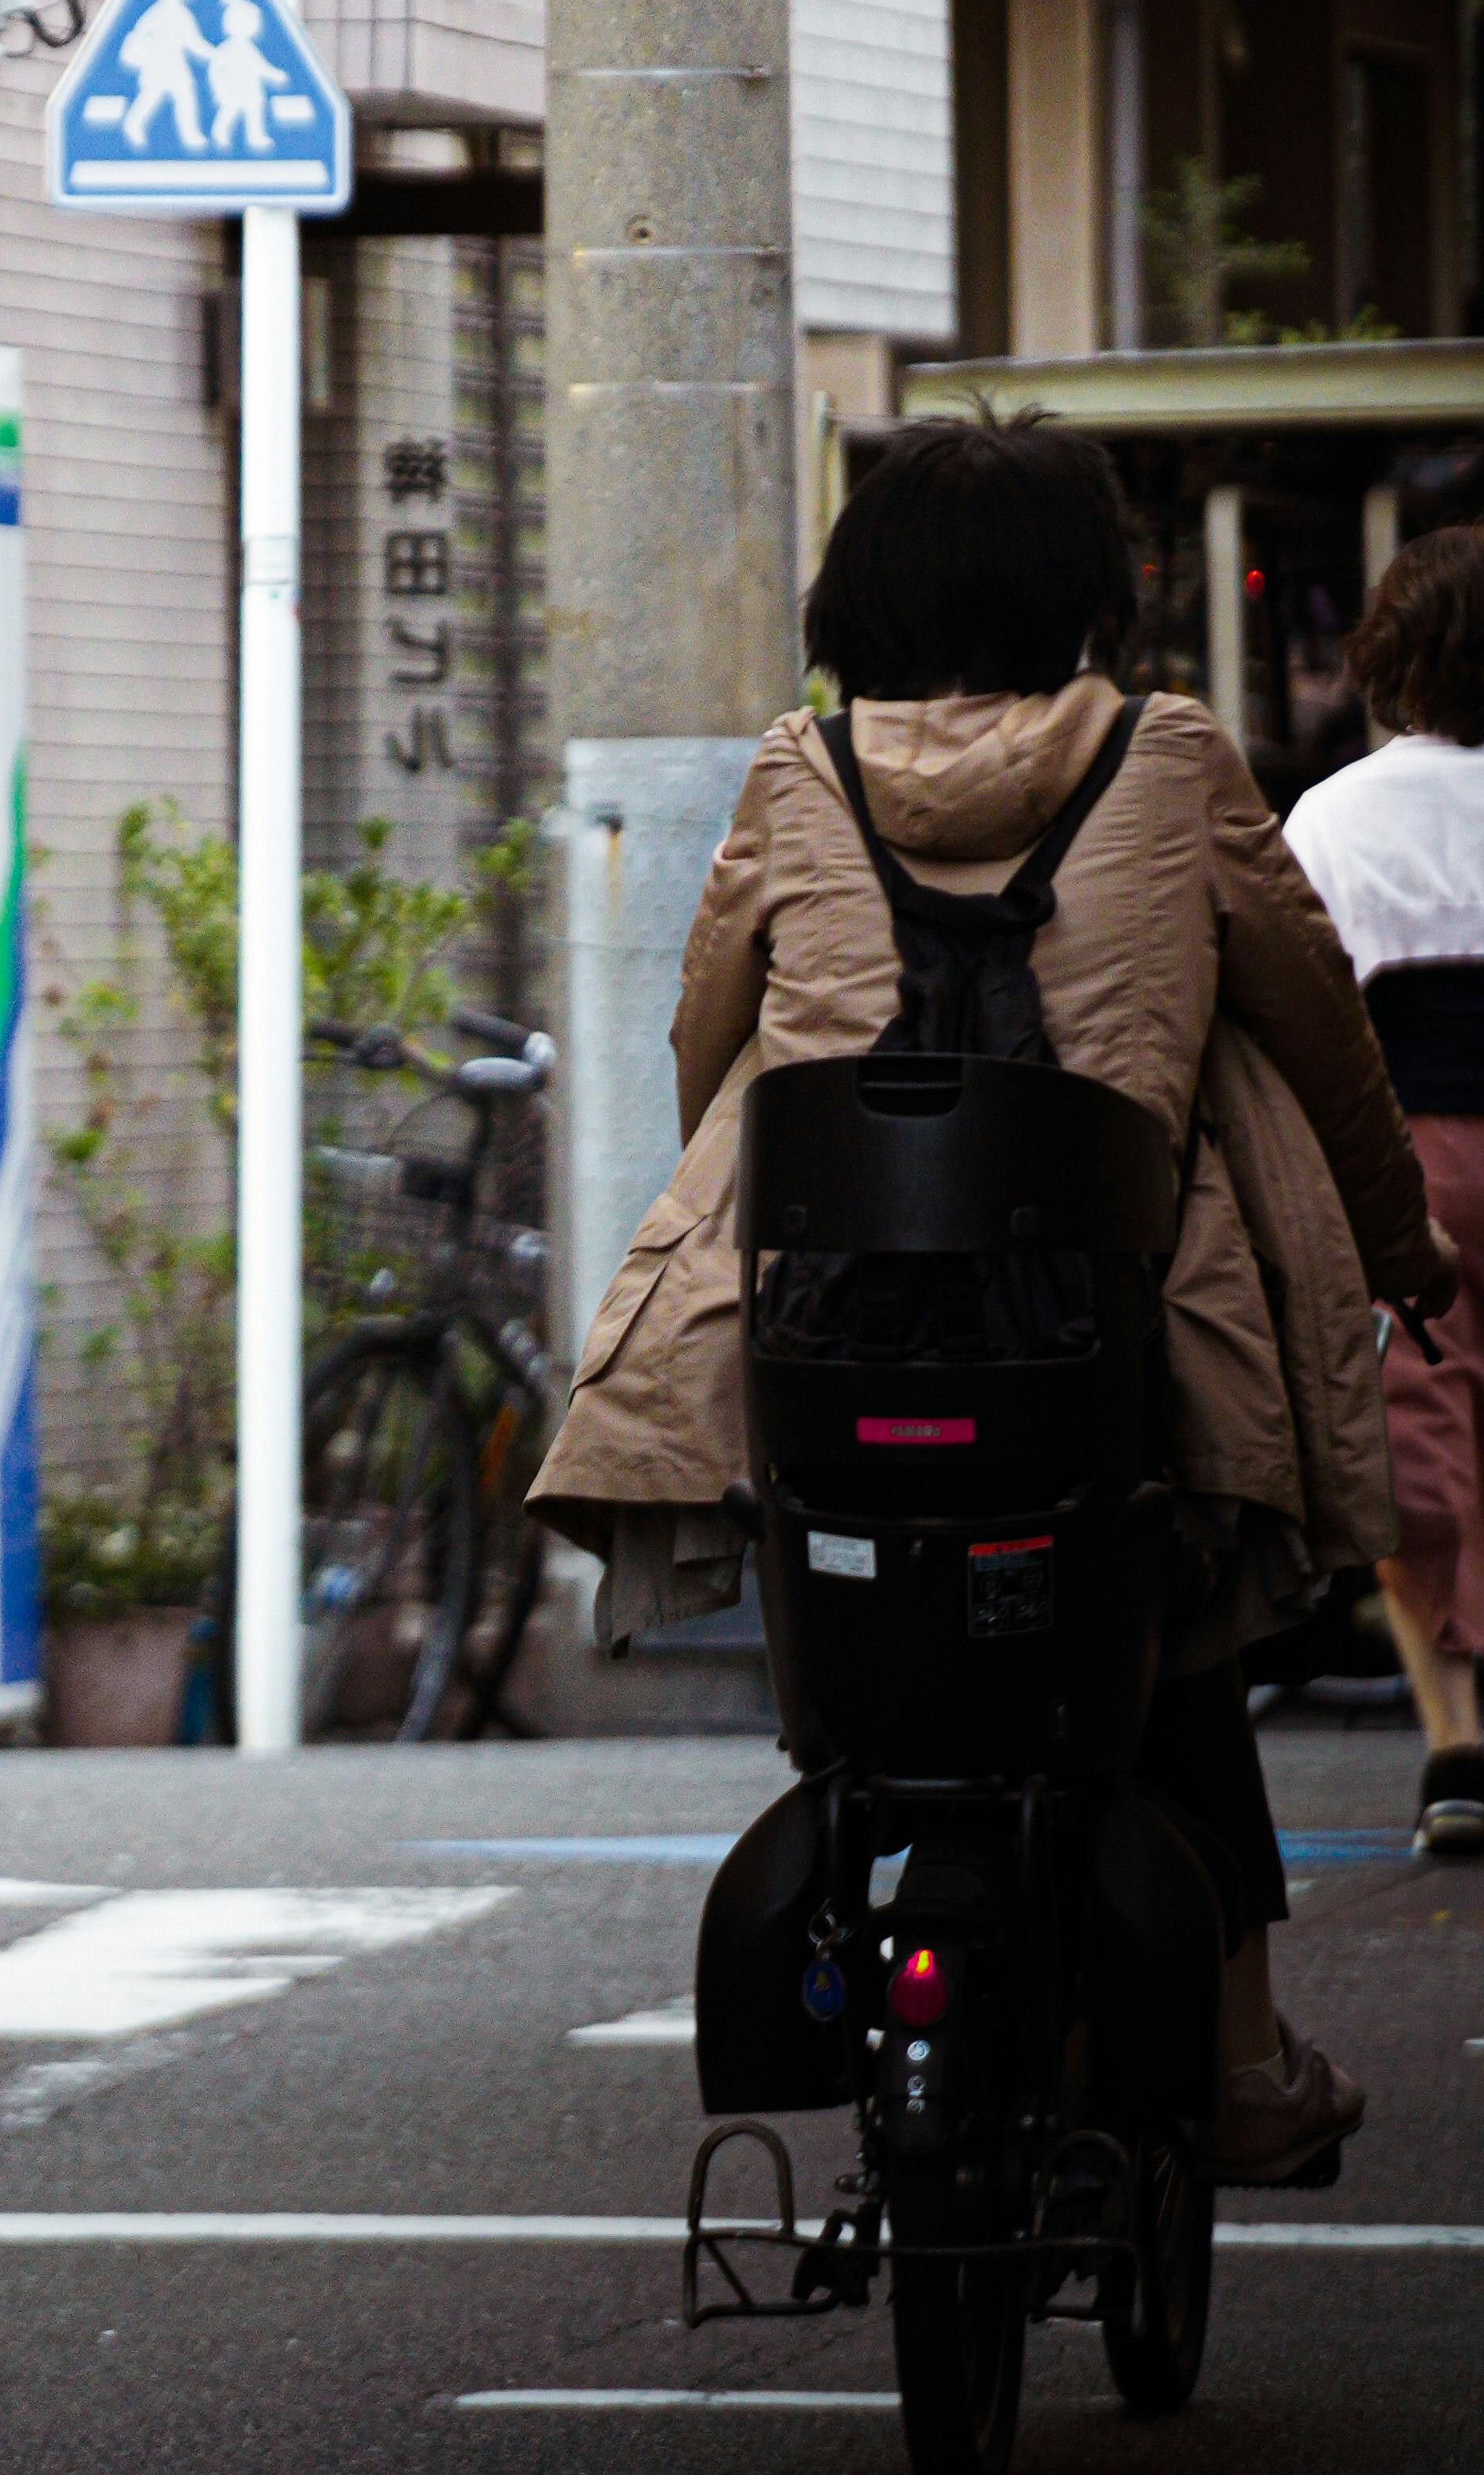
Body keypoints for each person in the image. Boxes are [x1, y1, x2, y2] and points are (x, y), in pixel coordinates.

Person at [533, 412, 1458, 2186]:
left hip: (827, 1348)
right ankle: (1242, 2057)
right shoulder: (1168, 760)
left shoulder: (795, 771)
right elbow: (1320, 1035)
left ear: (856, 591)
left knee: (848, 1661)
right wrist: (1397, 1254)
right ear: (1079, 594)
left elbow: (707, 1037)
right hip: (1106, 1354)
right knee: (1168, 1657)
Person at [1286, 521, 1484, 1859]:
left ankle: (1456, 1741)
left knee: (1420, 1428)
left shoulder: (1336, 813)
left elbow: (1297, 1011)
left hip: (1411, 1148)